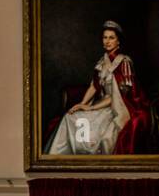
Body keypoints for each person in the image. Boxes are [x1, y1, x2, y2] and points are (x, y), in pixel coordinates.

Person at [46, 20, 150, 155]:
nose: (107, 41)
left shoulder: (124, 63)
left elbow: (119, 97)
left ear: (118, 41)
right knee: (70, 117)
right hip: (102, 105)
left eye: (111, 38)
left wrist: (91, 107)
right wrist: (82, 104)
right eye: (105, 37)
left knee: (106, 138)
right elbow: (94, 87)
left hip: (117, 108)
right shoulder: (102, 62)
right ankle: (56, 159)